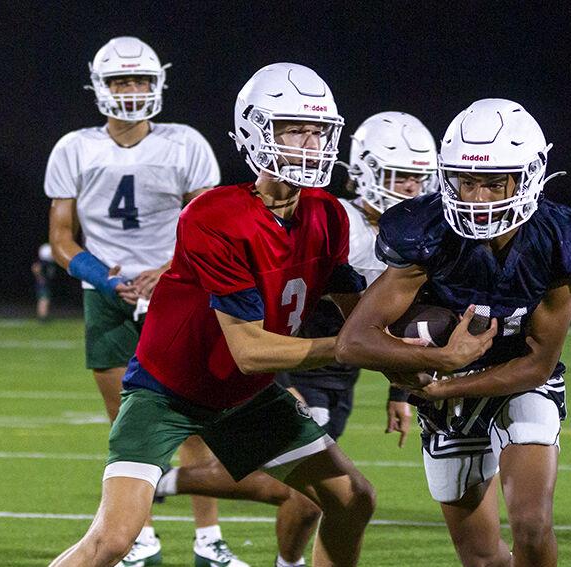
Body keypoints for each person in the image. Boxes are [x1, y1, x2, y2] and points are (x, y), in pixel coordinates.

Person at [49, 62, 377, 567]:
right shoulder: (214, 214)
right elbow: (251, 351)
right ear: (255, 130)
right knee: (113, 540)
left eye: (319, 132)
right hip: (167, 394)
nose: (309, 145)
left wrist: (425, 352)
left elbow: (362, 317)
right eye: (294, 129)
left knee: (353, 498)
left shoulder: (328, 213)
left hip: (244, 397)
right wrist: (354, 347)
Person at [336, 98, 571, 567]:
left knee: (531, 521)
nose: (478, 197)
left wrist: (446, 380)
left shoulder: (562, 241)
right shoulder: (426, 232)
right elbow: (353, 340)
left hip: (517, 378)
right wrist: (430, 363)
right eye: (466, 181)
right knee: (483, 558)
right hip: (444, 392)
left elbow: (538, 363)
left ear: (528, 177)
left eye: (493, 182)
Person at [43, 36, 244, 566]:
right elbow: (62, 238)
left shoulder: (184, 143)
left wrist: (170, 272)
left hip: (177, 294)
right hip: (106, 297)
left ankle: (209, 539)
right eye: (120, 81)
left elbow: (211, 228)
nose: (131, 91)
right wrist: (104, 278)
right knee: (124, 427)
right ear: (99, 87)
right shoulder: (75, 147)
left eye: (140, 81)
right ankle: (140, 538)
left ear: (158, 84)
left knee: (193, 419)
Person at [274, 111, 439, 445]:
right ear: (366, 172)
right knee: (308, 475)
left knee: (307, 481)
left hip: (342, 368)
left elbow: (398, 323)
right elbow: (274, 303)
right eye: (400, 176)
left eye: (419, 179)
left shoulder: (417, 239)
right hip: (301, 359)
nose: (412, 188)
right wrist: (280, 379)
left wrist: (399, 391)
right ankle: (167, 481)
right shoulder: (336, 221)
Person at [32, 243, 56, 321]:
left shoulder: (48, 263)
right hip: (43, 284)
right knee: (44, 299)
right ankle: (42, 317)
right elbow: (35, 267)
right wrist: (40, 278)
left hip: (45, 283)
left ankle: (43, 316)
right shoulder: (43, 262)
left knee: (45, 299)